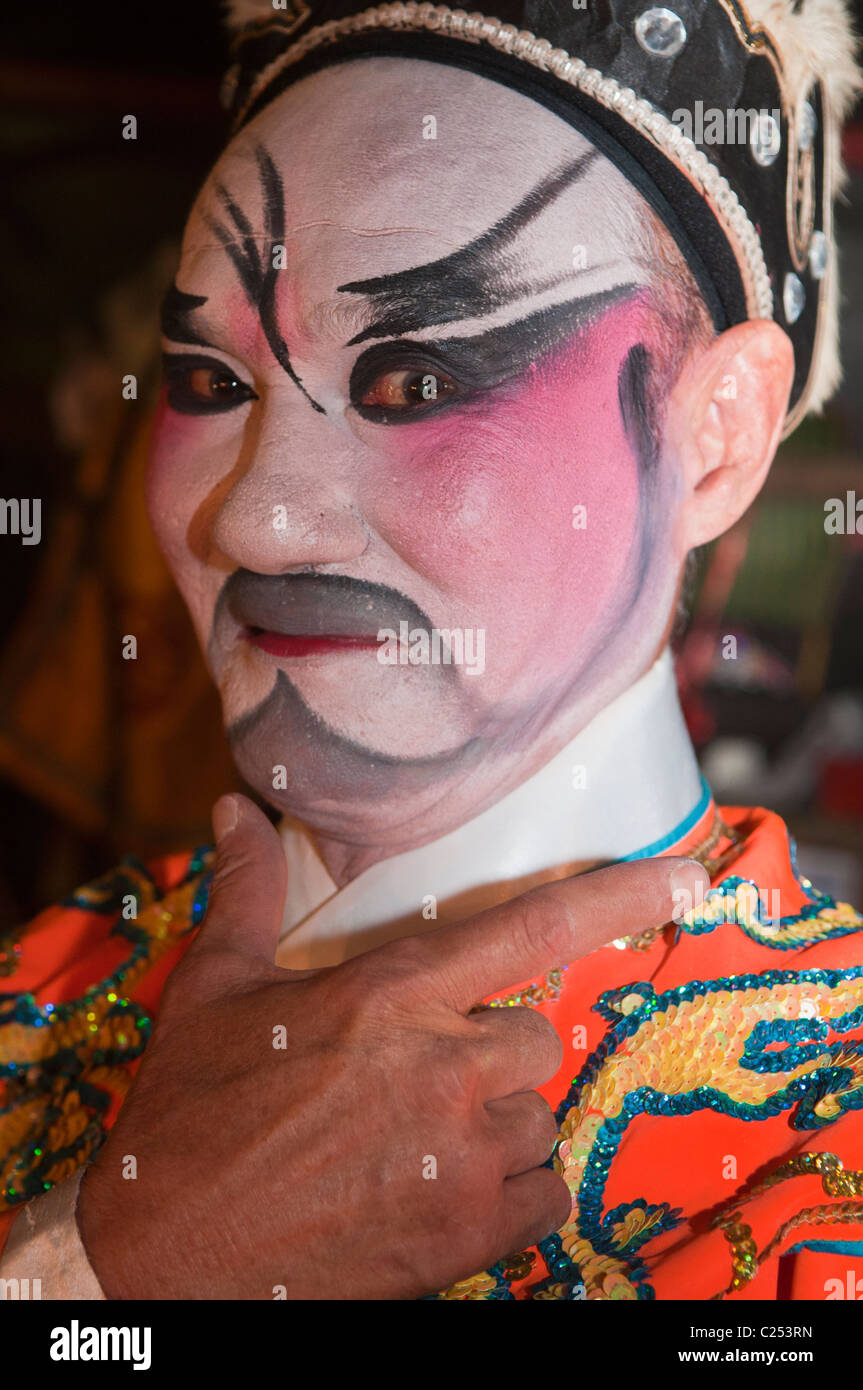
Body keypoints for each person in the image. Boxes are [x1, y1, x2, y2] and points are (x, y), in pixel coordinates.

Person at [2, 0, 862, 1301]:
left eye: (413, 379)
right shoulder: (44, 981)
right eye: (210, 383)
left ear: (721, 432)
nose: (252, 512)